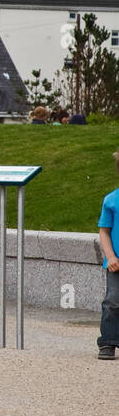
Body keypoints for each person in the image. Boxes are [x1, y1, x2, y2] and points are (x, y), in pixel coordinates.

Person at [96, 150, 119, 360]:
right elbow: (104, 231)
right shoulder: (111, 200)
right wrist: (110, 256)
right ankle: (108, 342)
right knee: (112, 301)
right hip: (116, 263)